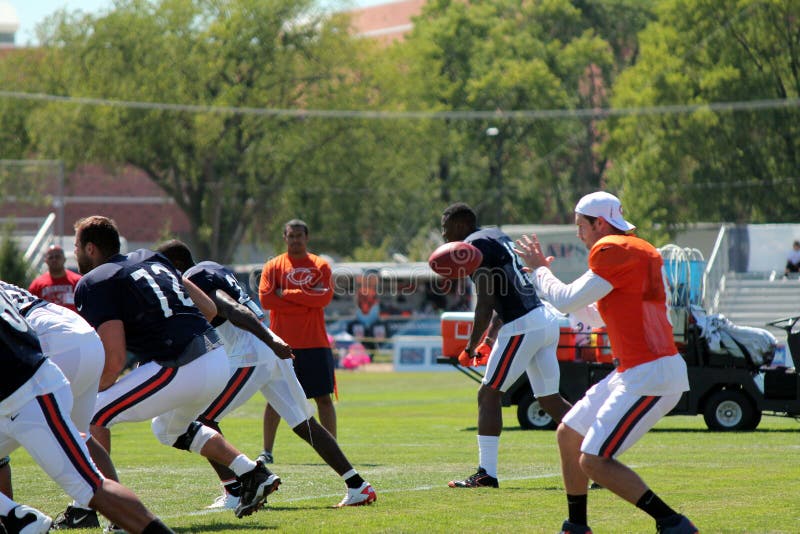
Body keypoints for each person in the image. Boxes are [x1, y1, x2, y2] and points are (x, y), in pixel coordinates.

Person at [70, 215, 278, 520]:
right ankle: (250, 472)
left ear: (90, 249)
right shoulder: (152, 257)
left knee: (91, 415)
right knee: (168, 429)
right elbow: (208, 308)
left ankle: (108, 510)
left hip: (181, 363)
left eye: (75, 246)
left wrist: (89, 390)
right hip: (215, 355)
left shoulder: (94, 282)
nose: (74, 253)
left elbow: (114, 362)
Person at [514, 191, 697, 534]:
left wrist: (540, 272)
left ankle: (672, 522)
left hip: (650, 372)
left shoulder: (613, 248)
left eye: (580, 225)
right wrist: (546, 285)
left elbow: (568, 300)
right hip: (637, 369)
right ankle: (577, 525)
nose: (578, 233)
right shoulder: (636, 250)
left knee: (594, 460)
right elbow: (596, 314)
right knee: (569, 433)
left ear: (599, 222)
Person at [157, 240, 376, 510]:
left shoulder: (193, 278)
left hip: (251, 351)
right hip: (263, 344)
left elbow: (233, 309)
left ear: (176, 265)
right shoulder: (210, 268)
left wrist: (269, 342)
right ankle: (358, 486)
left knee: (202, 419)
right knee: (304, 422)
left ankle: (235, 491)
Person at [0, 290, 174, 534]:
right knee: (83, 441)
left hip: (33, 371)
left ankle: (15, 518)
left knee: (90, 486)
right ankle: (14, 517)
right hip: (79, 339)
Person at [440, 203, 572, 488]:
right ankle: (597, 455)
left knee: (488, 395)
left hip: (523, 324)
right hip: (543, 319)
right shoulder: (494, 235)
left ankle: (486, 473)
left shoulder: (473, 247)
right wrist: (488, 339)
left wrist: (471, 346)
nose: (443, 237)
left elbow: (486, 303)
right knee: (549, 399)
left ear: (460, 225)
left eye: (445, 228)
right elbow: (506, 292)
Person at [0, 280, 121, 530]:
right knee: (81, 435)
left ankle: (14, 520)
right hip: (85, 337)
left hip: (52, 343)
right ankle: (115, 517)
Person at [258, 219, 337, 464]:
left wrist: (288, 294)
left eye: (299, 235)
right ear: (285, 238)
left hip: (315, 343)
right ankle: (267, 451)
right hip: (282, 345)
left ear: (307, 237)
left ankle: (332, 450)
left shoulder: (321, 265)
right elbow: (267, 300)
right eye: (291, 236)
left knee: (323, 398)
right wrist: (306, 298)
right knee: (275, 400)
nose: (295, 240)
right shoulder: (273, 266)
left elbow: (323, 299)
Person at [28, 245, 82, 312]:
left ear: (64, 259)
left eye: (57, 257)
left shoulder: (78, 281)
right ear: (46, 261)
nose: (54, 260)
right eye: (51, 257)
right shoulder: (36, 285)